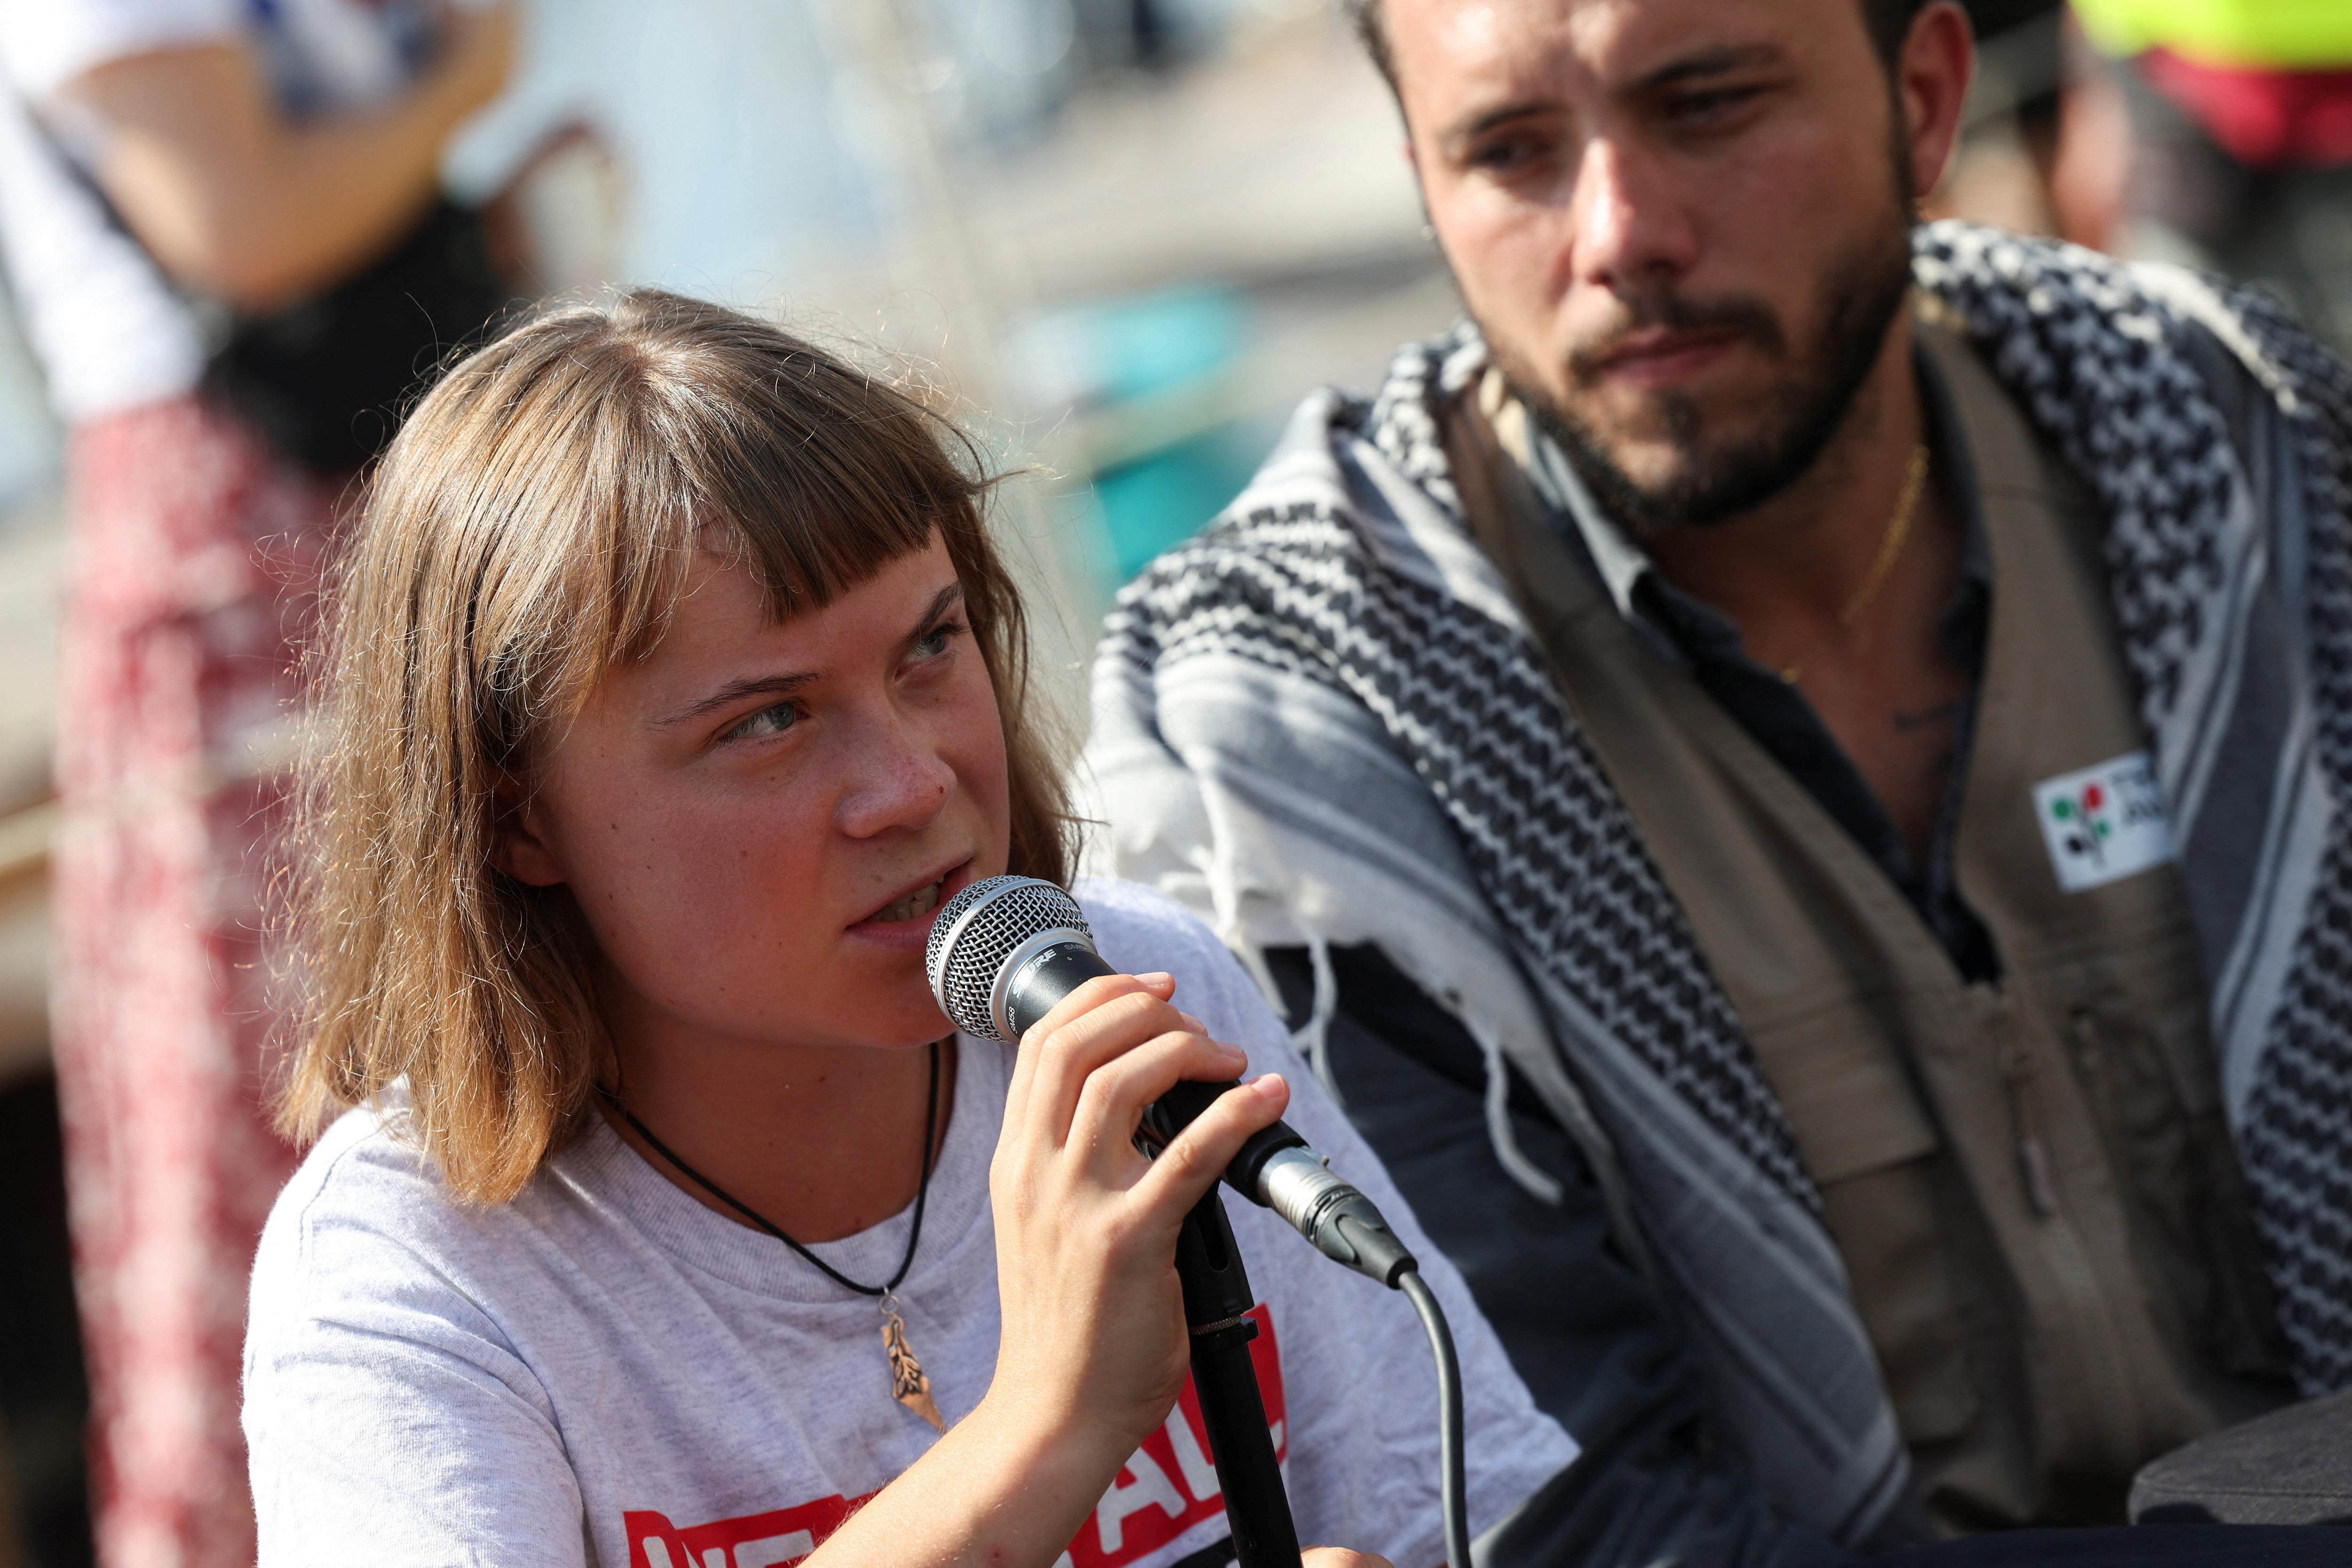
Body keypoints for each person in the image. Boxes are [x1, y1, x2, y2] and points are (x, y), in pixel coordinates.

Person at [1085, 0, 2352, 1558]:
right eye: (1509, 151)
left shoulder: (2235, 449)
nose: (1621, 231)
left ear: (1927, 95)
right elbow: (1559, 1507)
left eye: (1707, 104)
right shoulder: (1300, 734)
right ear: (1426, 181)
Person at [240, 289, 1576, 1567]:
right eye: (768, 720)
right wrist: (1039, 1433)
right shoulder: (408, 1278)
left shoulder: (1148, 1011)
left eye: (930, 649)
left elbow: (1477, 1511)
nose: (916, 783)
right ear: (513, 817)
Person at [0, 4, 513, 1563]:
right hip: (247, 559)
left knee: (482, 1080)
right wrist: (472, 72)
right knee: (268, 1156)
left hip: (349, 511)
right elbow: (241, 226)